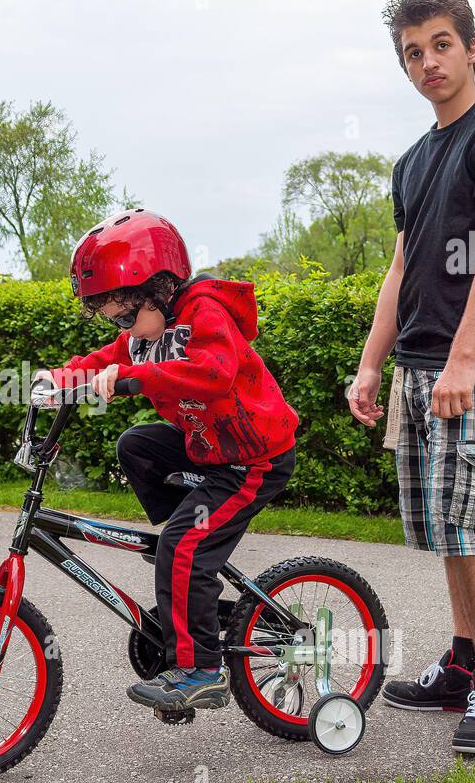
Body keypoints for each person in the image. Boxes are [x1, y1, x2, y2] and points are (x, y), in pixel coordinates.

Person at [349, 0, 475, 754]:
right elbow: (399, 272)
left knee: (472, 521)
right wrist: (371, 365)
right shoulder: (412, 161)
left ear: (471, 48)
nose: (427, 61)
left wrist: (463, 358)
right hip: (419, 366)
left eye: (440, 44)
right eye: (412, 52)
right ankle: (464, 664)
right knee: (445, 525)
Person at [39, 208, 299, 713]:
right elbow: (106, 359)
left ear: (158, 288)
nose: (122, 326)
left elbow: (214, 373)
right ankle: (186, 543)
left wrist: (142, 380)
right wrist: (57, 378)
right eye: (112, 317)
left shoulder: (205, 312)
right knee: (136, 444)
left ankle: (202, 670)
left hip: (253, 457)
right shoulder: (143, 333)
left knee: (184, 548)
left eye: (124, 314)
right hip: (209, 447)